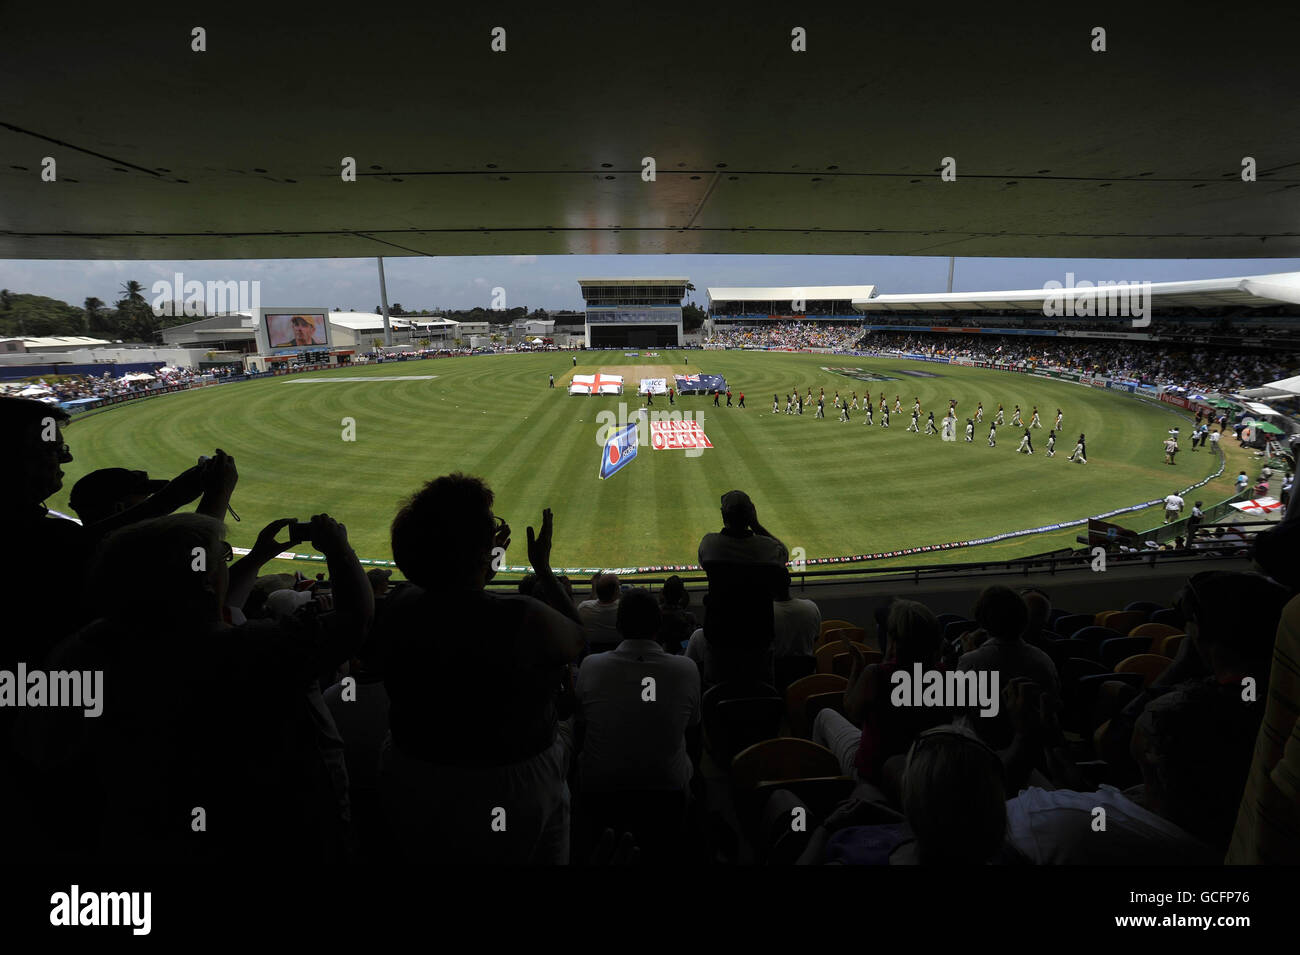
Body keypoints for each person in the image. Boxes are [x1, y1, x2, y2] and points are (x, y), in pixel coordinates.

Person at [379, 476, 583, 865]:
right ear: (477, 549)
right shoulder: (521, 617)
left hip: (413, 776)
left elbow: (452, 596)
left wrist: (480, 568)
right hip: (511, 785)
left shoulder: (397, 607)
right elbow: (576, 637)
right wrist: (542, 568)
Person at [574, 589, 701, 794]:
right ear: (659, 625)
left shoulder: (590, 666)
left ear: (618, 626)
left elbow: (581, 725)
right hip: (668, 788)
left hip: (599, 787)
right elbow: (693, 729)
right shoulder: (686, 669)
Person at [697, 490, 788, 684]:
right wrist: (756, 525)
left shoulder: (710, 544)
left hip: (720, 636)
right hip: (758, 636)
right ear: (750, 514)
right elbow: (784, 555)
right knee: (760, 695)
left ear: (723, 515)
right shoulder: (768, 549)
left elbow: (704, 561)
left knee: (718, 693)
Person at [578, 573, 623, 652]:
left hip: (592, 654)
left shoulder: (584, 608)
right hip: (619, 651)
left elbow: (592, 603)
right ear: (616, 592)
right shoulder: (624, 609)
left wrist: (594, 588)